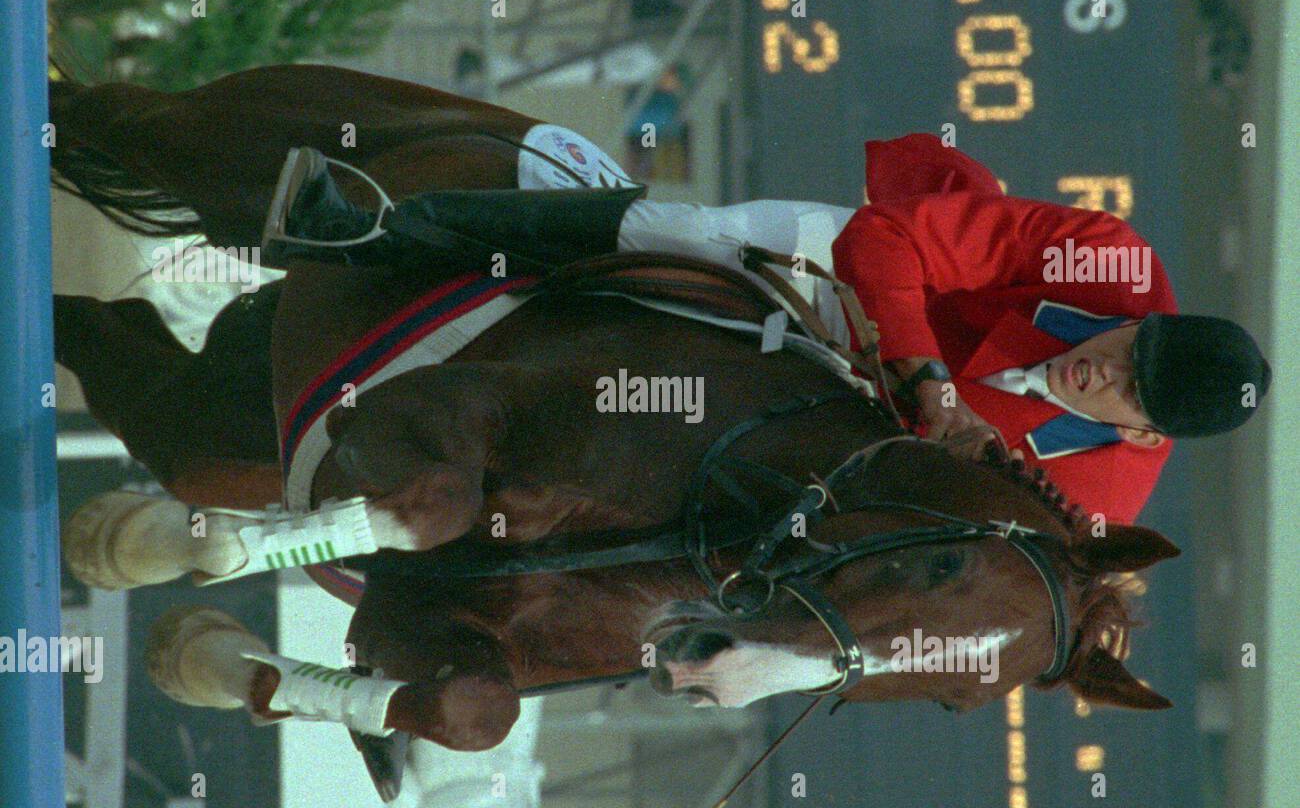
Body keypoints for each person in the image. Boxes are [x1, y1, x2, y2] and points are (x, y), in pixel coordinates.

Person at [260, 133, 1270, 524]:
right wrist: (927, 376)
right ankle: (379, 234)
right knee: (686, 230)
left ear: (1145, 435)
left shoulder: (1095, 499)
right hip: (855, 300)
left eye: (1128, 391)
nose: (1104, 366)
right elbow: (886, 241)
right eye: (1130, 346)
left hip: (836, 452)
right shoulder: (1107, 261)